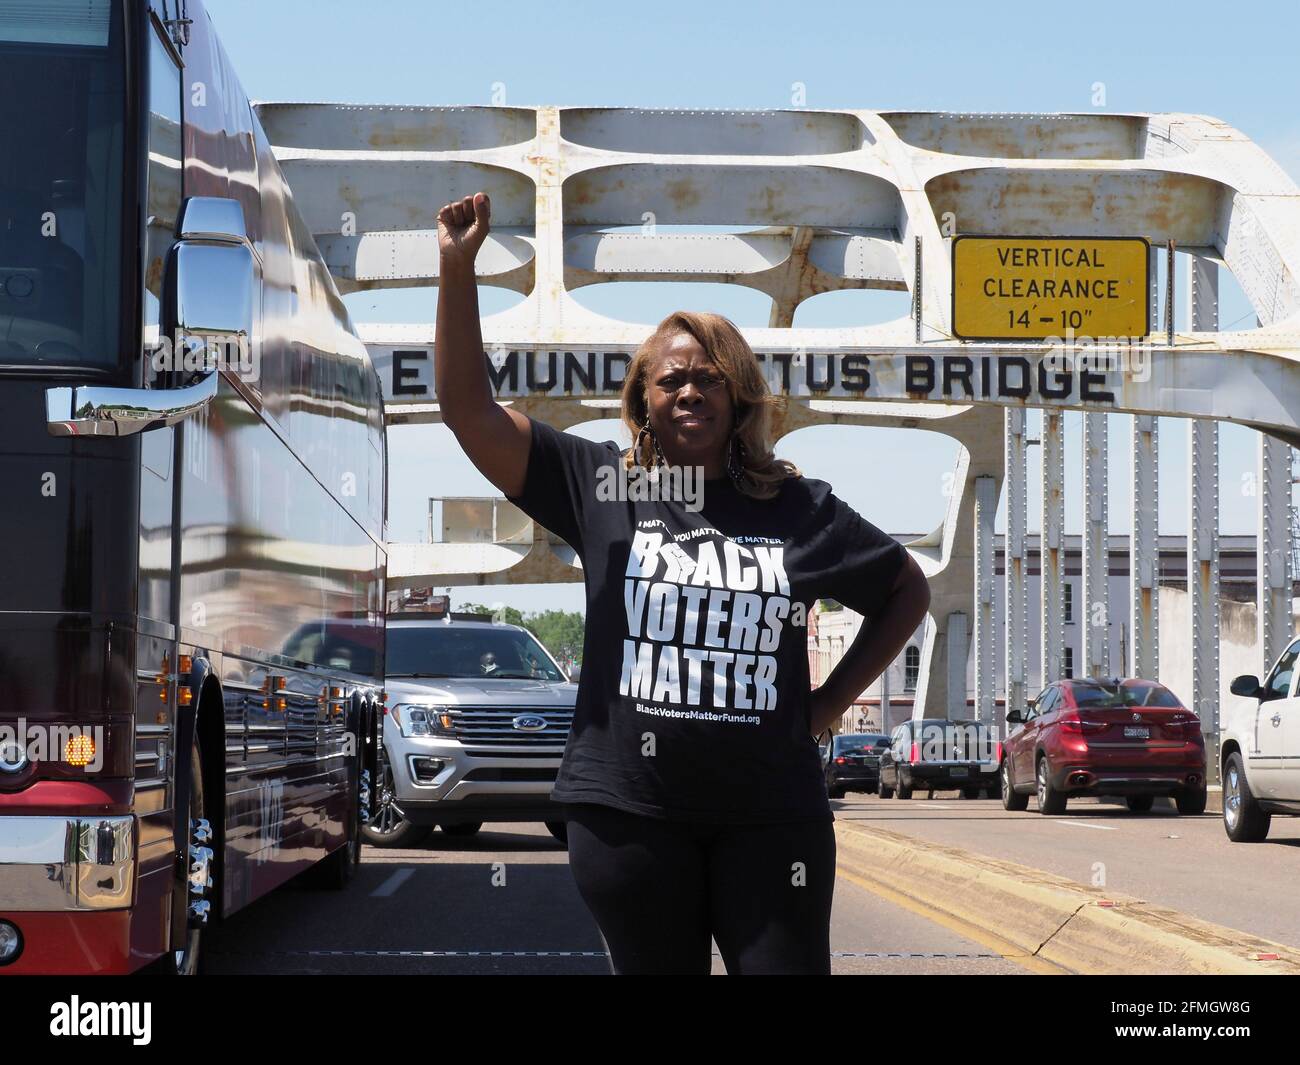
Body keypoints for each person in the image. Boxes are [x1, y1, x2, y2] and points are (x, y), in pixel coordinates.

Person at [434, 192, 931, 975]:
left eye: (708, 379)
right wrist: (457, 267)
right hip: (631, 817)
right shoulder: (599, 486)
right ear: (642, 400)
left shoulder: (799, 508)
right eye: (670, 381)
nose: (690, 391)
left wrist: (827, 705)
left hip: (772, 819)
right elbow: (467, 410)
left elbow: (907, 588)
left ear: (738, 399)